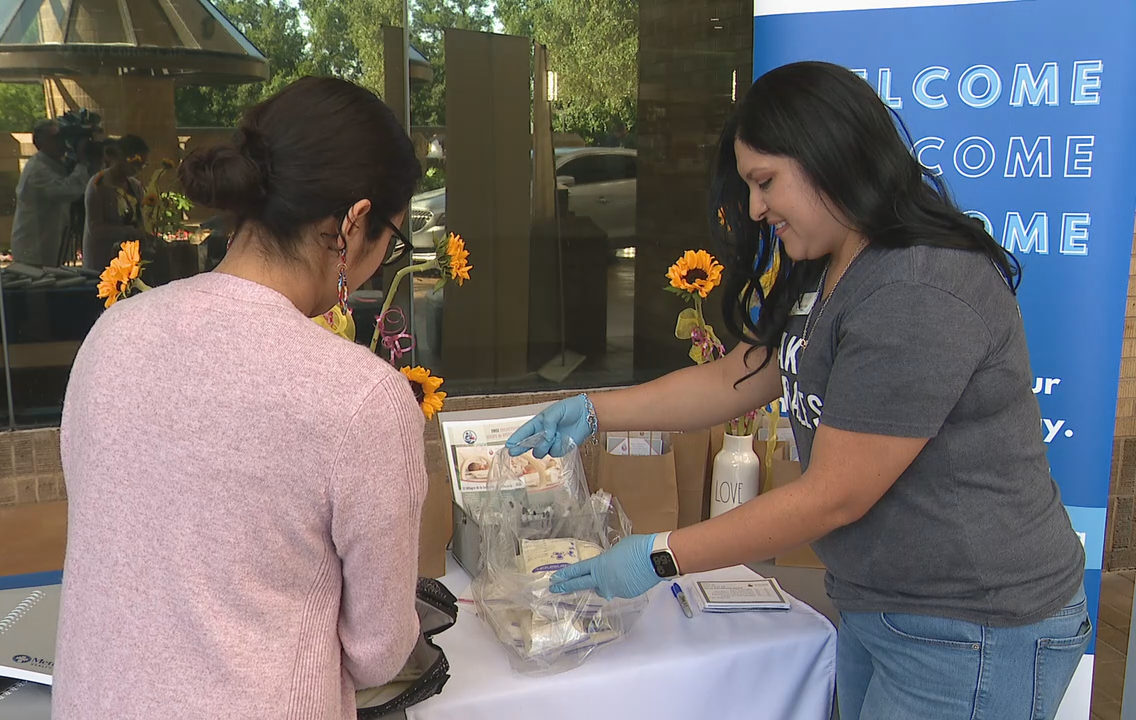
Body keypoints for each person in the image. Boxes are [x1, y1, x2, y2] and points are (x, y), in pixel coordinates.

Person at [508, 61, 1087, 720]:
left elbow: (833, 496)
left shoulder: (916, 288)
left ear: (830, 156)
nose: (756, 208)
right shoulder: (835, 263)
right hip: (887, 608)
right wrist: (595, 410)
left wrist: (660, 555)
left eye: (765, 183)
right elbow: (738, 376)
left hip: (971, 626)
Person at [54, 76, 426, 720]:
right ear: (354, 223)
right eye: (393, 238)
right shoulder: (360, 397)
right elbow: (378, 651)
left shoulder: (113, 334)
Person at [10, 119, 92, 267]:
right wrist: (82, 162)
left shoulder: (57, 165)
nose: (61, 142)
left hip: (49, 250)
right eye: (55, 138)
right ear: (40, 143)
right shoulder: (37, 169)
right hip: (33, 254)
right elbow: (69, 190)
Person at [82, 134, 149, 271]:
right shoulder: (98, 184)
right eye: (135, 162)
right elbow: (94, 229)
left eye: (142, 165)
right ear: (120, 156)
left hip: (128, 259)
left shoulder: (135, 185)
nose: (138, 169)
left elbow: (142, 218)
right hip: (103, 261)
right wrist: (127, 231)